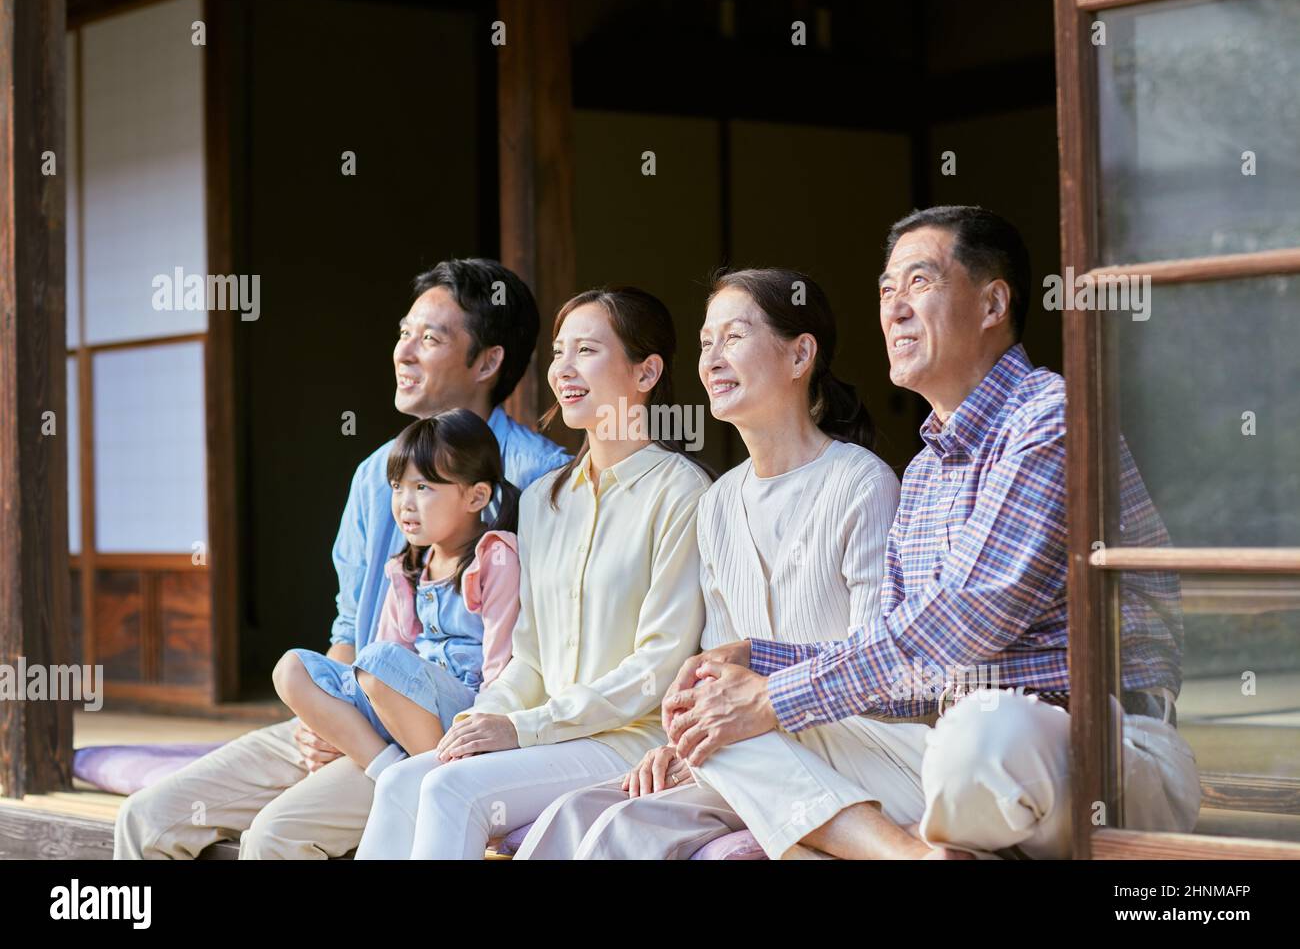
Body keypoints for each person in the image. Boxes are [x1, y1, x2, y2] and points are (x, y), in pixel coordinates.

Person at [654, 206, 1200, 860]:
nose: (895, 309)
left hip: (1104, 749)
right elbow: (904, 675)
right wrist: (755, 662)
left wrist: (775, 692)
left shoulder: (1049, 418)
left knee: (980, 739)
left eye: (919, 282)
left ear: (993, 303)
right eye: (886, 291)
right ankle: (910, 853)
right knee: (721, 722)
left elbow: (963, 622)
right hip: (967, 766)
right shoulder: (923, 476)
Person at [114, 259, 568, 859]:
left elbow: (539, 656)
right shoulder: (373, 476)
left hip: (441, 739)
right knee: (147, 818)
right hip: (357, 715)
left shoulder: (541, 480)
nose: (404, 352)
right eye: (404, 333)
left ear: (487, 363)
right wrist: (322, 722)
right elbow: (349, 627)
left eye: (430, 338)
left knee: (274, 838)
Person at [517, 269, 901, 859]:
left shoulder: (861, 483)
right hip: (749, 750)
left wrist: (738, 716)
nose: (713, 359)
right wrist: (686, 739)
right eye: (705, 343)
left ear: (800, 355)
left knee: (684, 784)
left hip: (850, 745)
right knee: (587, 817)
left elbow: (880, 668)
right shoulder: (718, 502)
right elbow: (713, 673)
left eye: (735, 337)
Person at [356, 286, 712, 859]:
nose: (563, 370)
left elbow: (659, 665)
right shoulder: (546, 498)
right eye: (558, 352)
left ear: (646, 373)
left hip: (627, 741)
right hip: (546, 734)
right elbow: (530, 656)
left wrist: (527, 728)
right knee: (402, 780)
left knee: (451, 788)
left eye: (587, 351)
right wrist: (485, 717)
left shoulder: (682, 493)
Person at [271, 409, 520, 775]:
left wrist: (490, 724)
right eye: (397, 486)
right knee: (292, 668)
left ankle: (440, 775)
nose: (405, 502)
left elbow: (501, 666)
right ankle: (385, 768)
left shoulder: (494, 557)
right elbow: (387, 654)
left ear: (476, 496)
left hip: (463, 711)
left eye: (423, 487)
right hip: (400, 707)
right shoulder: (407, 567)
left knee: (378, 661)